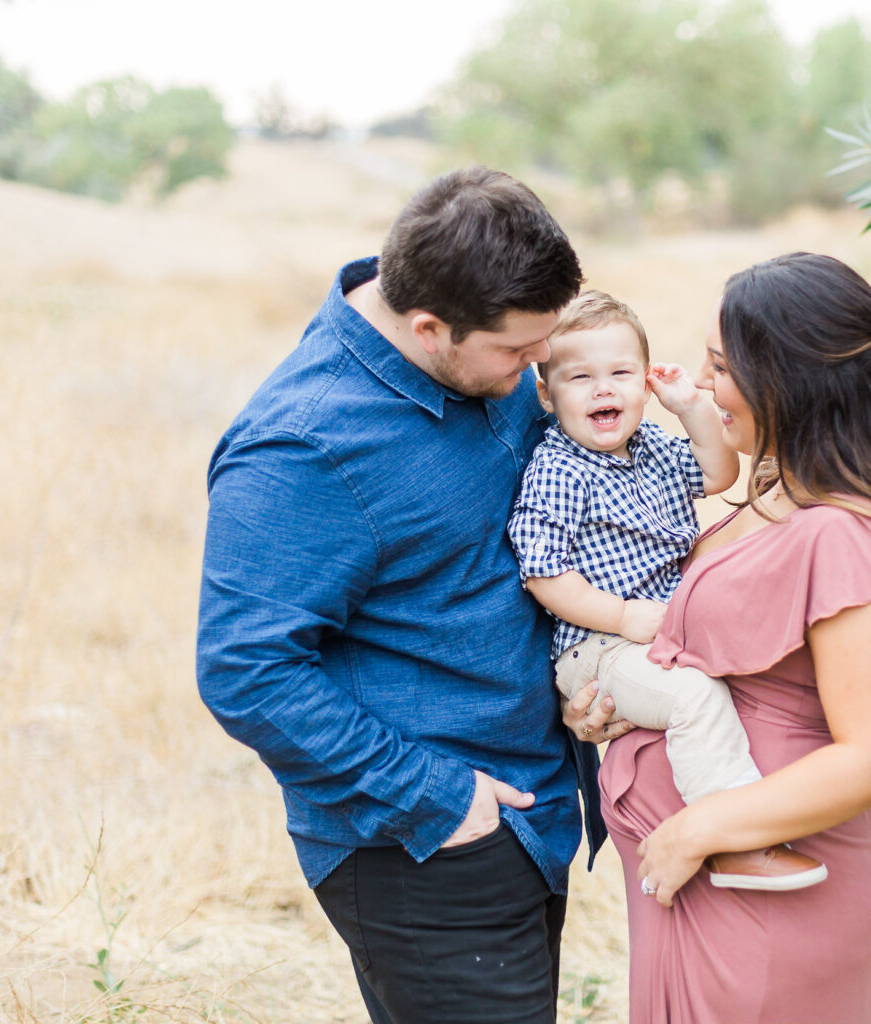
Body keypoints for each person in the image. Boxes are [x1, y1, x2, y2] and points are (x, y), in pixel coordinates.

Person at [196, 167, 629, 1024]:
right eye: (516, 353)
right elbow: (245, 671)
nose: (534, 373)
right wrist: (438, 797)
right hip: (421, 844)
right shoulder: (301, 448)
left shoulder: (487, 351)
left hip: (532, 814)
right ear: (429, 328)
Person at [573, 252, 871, 1024]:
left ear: (789, 380)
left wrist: (699, 827)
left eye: (722, 366)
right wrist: (608, 708)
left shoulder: (841, 537)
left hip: (773, 897)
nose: (706, 386)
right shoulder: (777, 491)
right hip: (703, 886)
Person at [508, 290, 826, 892]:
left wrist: (689, 408)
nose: (604, 390)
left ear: (645, 383)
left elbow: (717, 473)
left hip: (651, 634)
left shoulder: (652, 447)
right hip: (598, 647)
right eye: (580, 378)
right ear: (546, 395)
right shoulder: (558, 468)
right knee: (691, 696)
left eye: (621, 373)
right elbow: (543, 573)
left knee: (707, 687)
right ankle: (735, 838)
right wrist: (624, 616)